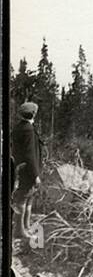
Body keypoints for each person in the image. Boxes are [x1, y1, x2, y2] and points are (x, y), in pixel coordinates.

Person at [11, 100, 43, 242]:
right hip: (28, 170)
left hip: (21, 168)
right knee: (23, 199)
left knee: (28, 198)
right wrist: (35, 174)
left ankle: (26, 227)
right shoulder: (28, 130)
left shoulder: (19, 127)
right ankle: (20, 231)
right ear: (32, 114)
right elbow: (30, 154)